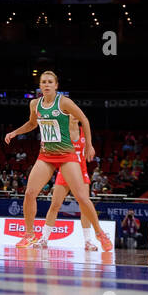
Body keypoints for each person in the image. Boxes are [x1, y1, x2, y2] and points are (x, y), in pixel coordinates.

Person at [6, 71, 113, 251]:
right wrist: (15, 132)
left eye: (50, 82)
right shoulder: (35, 103)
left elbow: (84, 119)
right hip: (46, 155)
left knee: (81, 197)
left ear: (56, 85)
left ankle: (99, 233)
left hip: (66, 155)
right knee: (30, 193)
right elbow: (32, 124)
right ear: (40, 86)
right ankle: (29, 234)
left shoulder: (63, 102)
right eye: (43, 82)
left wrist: (89, 145)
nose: (46, 85)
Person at [39, 78, 102, 250]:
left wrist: (90, 146)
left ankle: (88, 241)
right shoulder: (63, 130)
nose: (73, 113)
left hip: (81, 173)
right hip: (64, 171)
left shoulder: (83, 132)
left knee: (85, 207)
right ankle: (44, 238)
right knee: (55, 205)